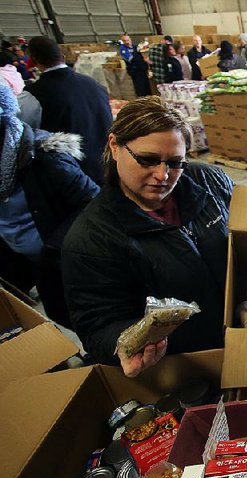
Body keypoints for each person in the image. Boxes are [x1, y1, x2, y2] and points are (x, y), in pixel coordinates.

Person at [62, 97, 233, 377]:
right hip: (191, 367)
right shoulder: (91, 239)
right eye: (148, 160)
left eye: (175, 163)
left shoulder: (209, 182)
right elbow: (99, 325)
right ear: (115, 146)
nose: (162, 175)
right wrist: (125, 345)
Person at [0, 85, 99, 328]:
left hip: (63, 263)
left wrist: (53, 248)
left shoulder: (46, 155)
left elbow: (93, 202)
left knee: (79, 316)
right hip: (23, 263)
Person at [26, 36, 112, 185]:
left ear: (34, 60)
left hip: (72, 175)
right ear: (63, 56)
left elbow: (27, 134)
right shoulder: (94, 84)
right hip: (106, 167)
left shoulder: (34, 95)